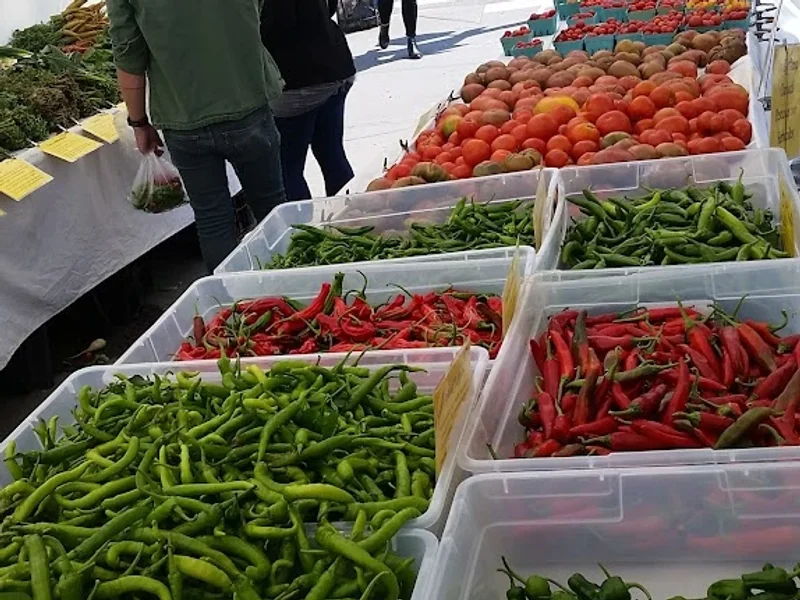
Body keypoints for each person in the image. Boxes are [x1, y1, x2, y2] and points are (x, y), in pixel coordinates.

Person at [107, 0, 287, 272]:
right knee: (272, 208)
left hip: (183, 116)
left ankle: (230, 303)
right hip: (246, 99)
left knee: (212, 219)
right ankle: (292, 289)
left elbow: (128, 50)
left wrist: (139, 122)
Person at [261, 0, 357, 200]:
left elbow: (279, 24)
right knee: (332, 154)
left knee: (288, 167)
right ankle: (354, 220)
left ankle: (303, 227)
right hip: (334, 64)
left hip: (296, 78)